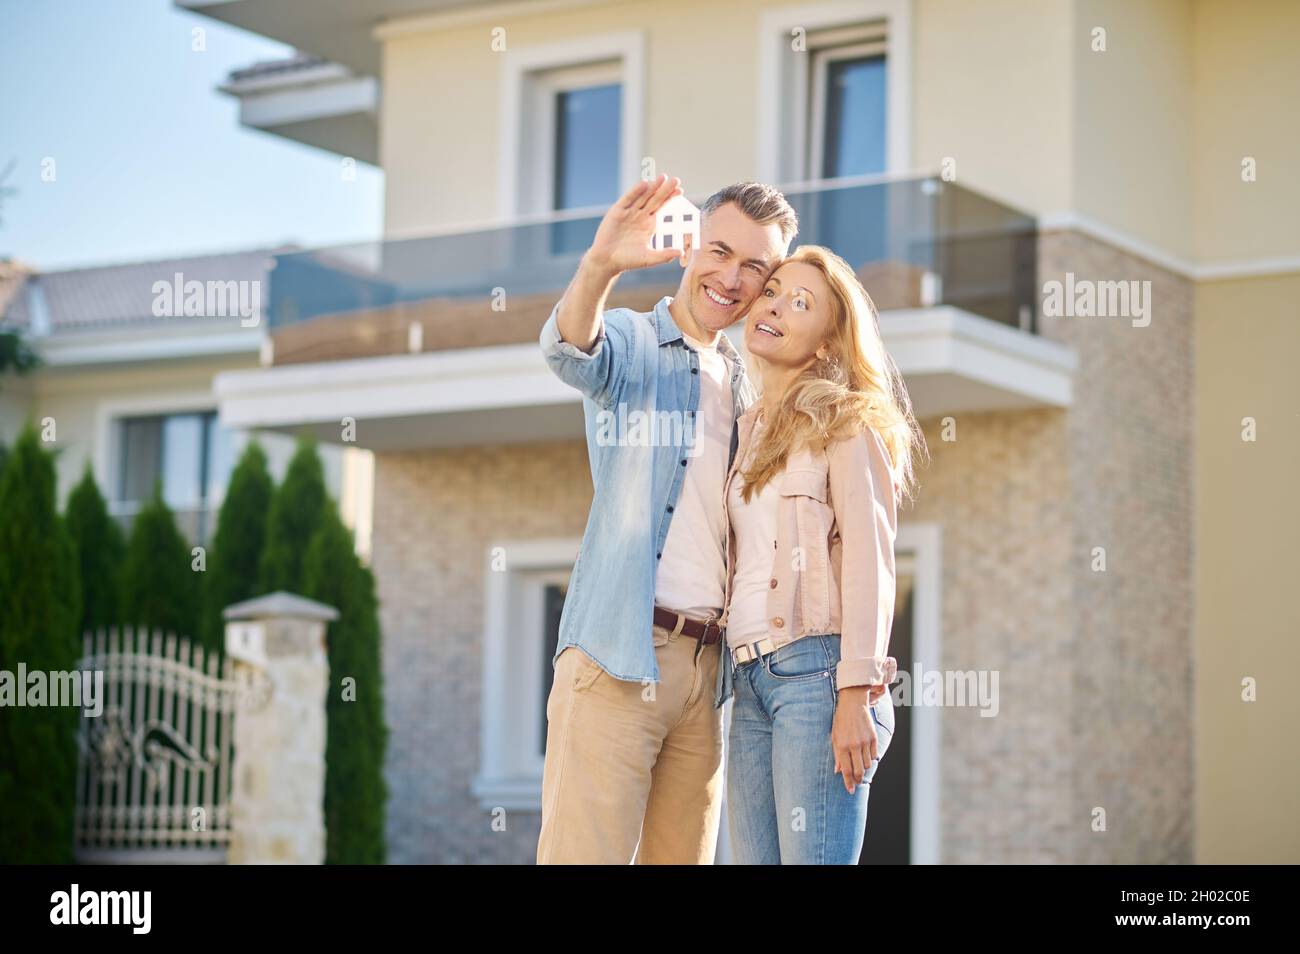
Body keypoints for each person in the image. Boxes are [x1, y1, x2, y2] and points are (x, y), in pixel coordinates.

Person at [536, 176, 798, 864]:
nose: (731, 277)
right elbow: (570, 349)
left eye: (755, 268)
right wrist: (600, 266)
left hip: (706, 679)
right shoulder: (633, 343)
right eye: (718, 251)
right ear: (688, 251)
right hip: (619, 656)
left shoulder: (749, 387)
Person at [717, 244, 925, 864]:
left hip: (819, 676)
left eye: (800, 303)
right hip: (747, 679)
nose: (774, 306)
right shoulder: (744, 430)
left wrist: (857, 690)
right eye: (773, 290)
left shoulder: (846, 425)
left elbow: (871, 557)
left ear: (829, 343)